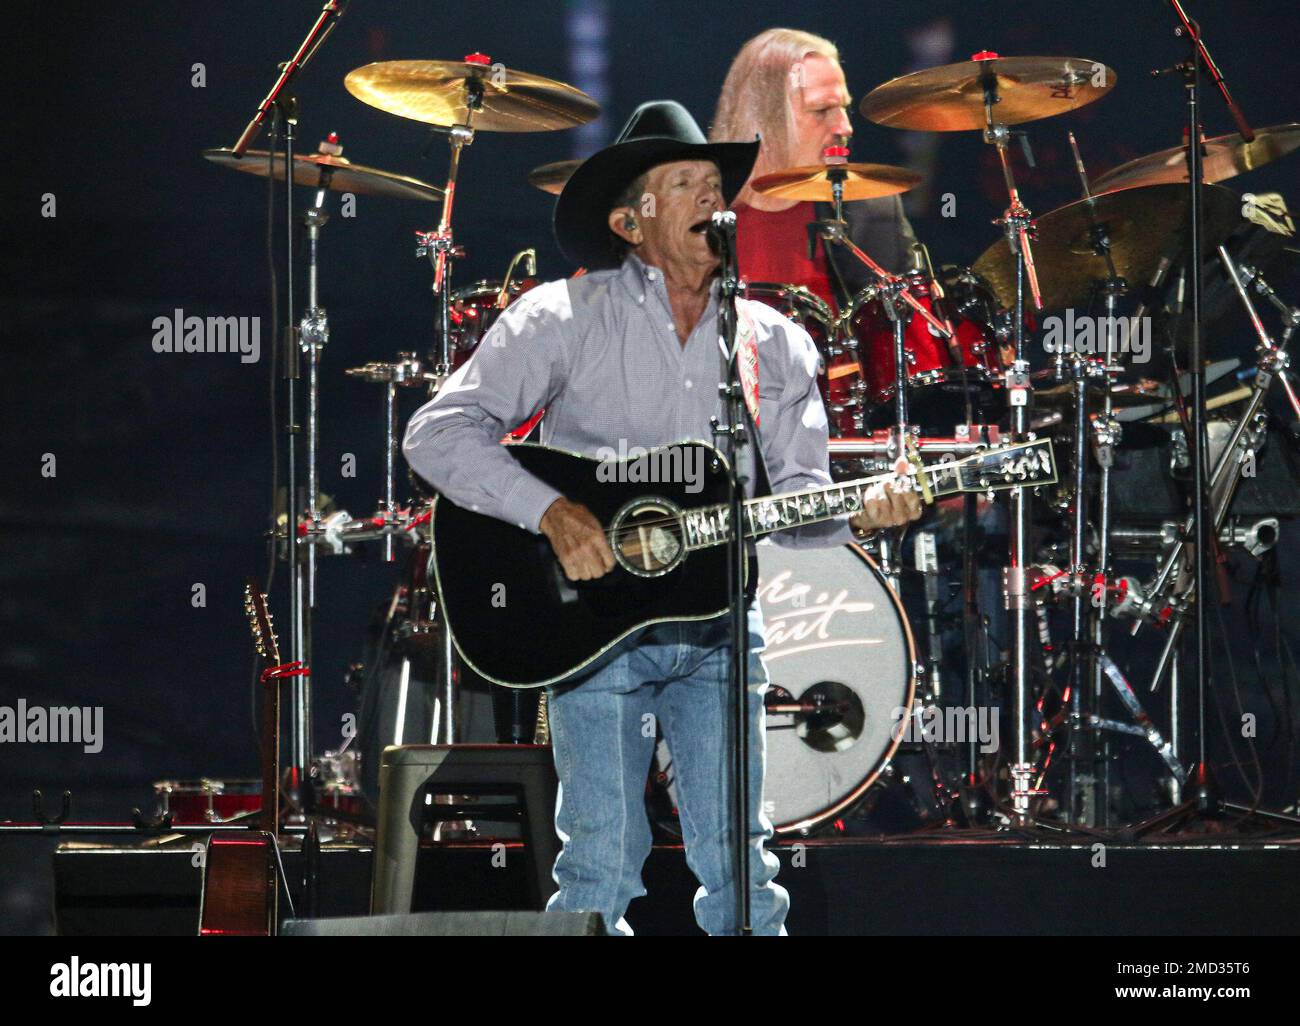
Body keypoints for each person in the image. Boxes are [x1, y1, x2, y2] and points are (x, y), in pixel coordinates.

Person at [403, 100, 921, 935]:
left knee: (743, 868)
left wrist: (870, 513)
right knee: (601, 863)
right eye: (682, 183)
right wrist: (551, 512)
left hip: (720, 626)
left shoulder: (773, 341)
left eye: (716, 186)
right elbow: (436, 434)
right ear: (629, 219)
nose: (708, 200)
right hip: (592, 628)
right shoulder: (561, 317)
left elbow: (797, 503)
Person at [710, 27, 918, 313]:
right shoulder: (699, 223)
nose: (845, 127)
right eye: (821, 110)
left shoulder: (872, 209)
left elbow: (916, 339)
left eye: (845, 108)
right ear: (764, 119)